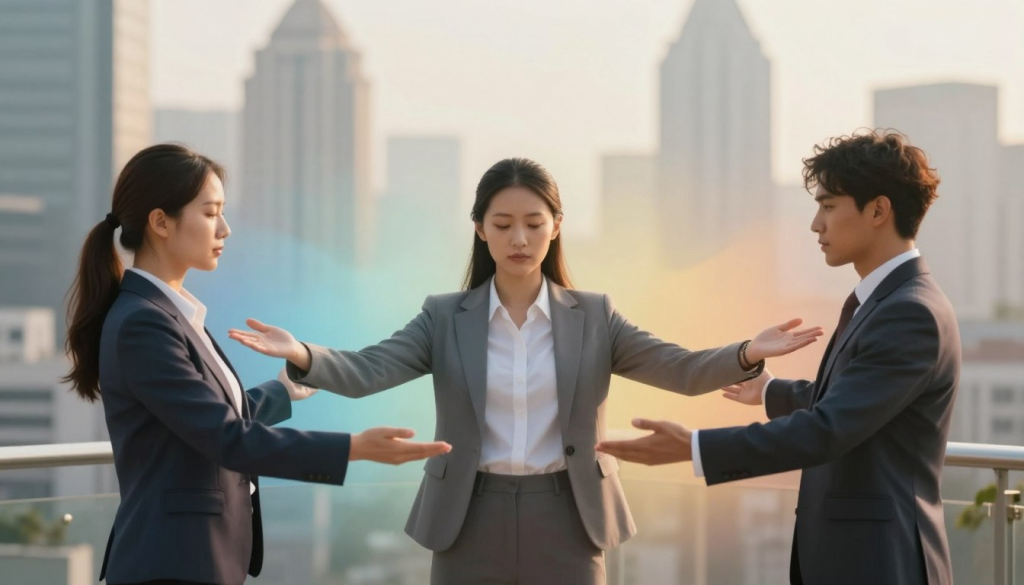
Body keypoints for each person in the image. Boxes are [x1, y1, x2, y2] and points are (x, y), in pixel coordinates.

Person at [228, 157, 822, 585]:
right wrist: (302, 353)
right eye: (503, 223)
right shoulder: (443, 317)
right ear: (481, 228)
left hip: (569, 517)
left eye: (534, 223)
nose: (519, 237)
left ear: (555, 225)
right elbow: (368, 370)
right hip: (467, 516)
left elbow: (682, 369)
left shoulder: (593, 315)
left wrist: (749, 350)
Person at [64, 144, 450, 585]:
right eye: (210, 213)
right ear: (160, 222)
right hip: (171, 563)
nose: (225, 228)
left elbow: (205, 418)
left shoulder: (170, 314)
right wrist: (353, 448)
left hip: (194, 558)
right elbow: (227, 439)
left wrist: (282, 391)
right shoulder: (144, 324)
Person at [597, 130, 959, 585]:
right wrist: (770, 393)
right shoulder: (889, 300)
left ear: (878, 211)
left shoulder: (909, 312)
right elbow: (851, 402)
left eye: (828, 206)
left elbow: (828, 429)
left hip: (881, 563)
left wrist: (694, 448)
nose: (815, 225)